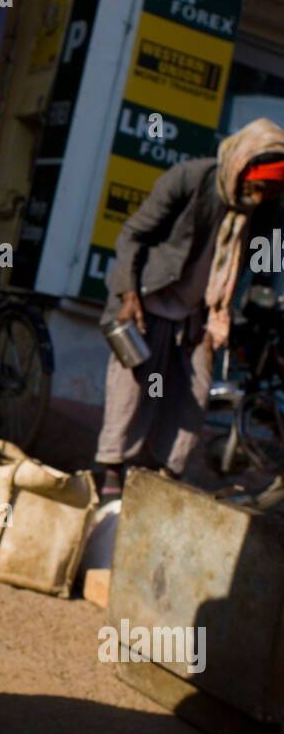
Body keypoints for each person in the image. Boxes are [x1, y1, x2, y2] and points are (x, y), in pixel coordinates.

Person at [96, 117, 284, 496]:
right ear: (241, 166)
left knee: (190, 398)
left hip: (201, 316)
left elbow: (266, 264)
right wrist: (129, 296)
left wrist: (242, 315)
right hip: (150, 303)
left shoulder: (265, 213)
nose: (261, 196)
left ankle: (164, 478)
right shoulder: (189, 179)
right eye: (259, 186)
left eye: (272, 191)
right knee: (133, 392)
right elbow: (133, 235)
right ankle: (112, 473)